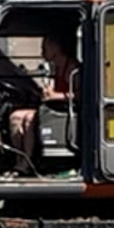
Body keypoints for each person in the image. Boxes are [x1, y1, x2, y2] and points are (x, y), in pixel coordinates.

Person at [8, 30, 80, 175]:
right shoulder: (54, 67)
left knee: (29, 119)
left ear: (56, 47)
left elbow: (81, 94)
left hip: (65, 110)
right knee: (15, 117)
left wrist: (55, 96)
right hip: (53, 107)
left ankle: (28, 163)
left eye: (45, 48)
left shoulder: (72, 68)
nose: (42, 52)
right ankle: (20, 159)